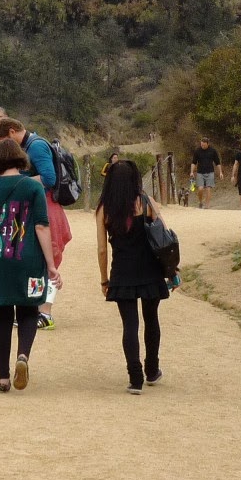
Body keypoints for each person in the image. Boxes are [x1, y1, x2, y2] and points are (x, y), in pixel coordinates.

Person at [0, 138, 62, 392]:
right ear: (20, 158)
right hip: (28, 260)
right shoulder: (33, 189)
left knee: (1, 318)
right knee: (29, 312)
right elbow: (42, 226)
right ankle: (23, 356)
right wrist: (51, 266)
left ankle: (2, 377)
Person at [96, 160, 169, 394]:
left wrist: (104, 279)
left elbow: (101, 249)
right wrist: (171, 268)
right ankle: (152, 369)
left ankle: (135, 378)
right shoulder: (146, 202)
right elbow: (164, 236)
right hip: (149, 270)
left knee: (130, 324)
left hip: (122, 272)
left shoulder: (104, 208)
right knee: (151, 319)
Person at [0, 117, 72, 331]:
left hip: (46, 208)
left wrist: (17, 182)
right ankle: (37, 309)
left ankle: (45, 313)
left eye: (2, 142)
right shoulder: (30, 145)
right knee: (36, 262)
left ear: (11, 132)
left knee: (50, 261)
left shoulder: (36, 146)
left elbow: (49, 178)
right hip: (38, 207)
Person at [190, 137, 223, 209]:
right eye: (201, 145)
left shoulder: (213, 151)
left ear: (208, 144)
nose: (203, 146)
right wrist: (191, 172)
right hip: (200, 172)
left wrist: (220, 172)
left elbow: (217, 162)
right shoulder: (197, 151)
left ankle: (207, 205)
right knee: (200, 189)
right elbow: (194, 162)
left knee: (208, 188)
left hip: (210, 172)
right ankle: (200, 202)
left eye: (204, 145)